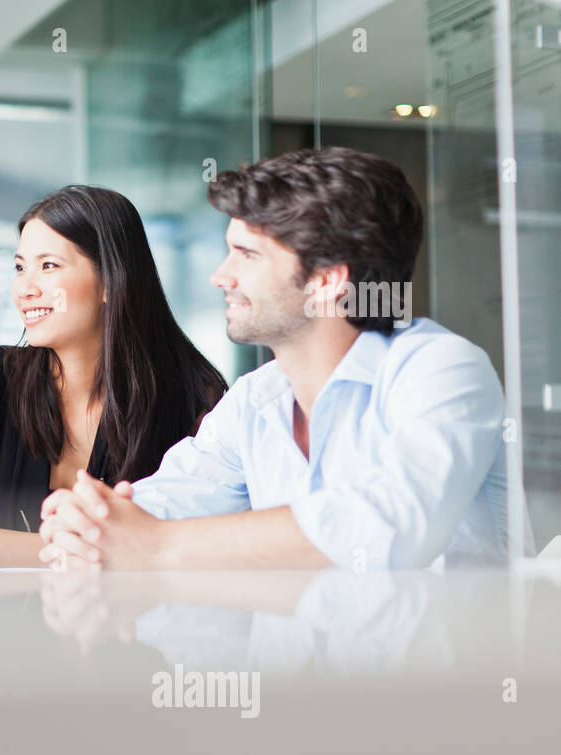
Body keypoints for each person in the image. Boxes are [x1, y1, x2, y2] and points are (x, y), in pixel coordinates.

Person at [39, 146, 519, 571]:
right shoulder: (255, 398)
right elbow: (165, 500)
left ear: (327, 280)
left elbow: (387, 525)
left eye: (246, 255)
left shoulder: (441, 370)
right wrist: (90, 520)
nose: (221, 277)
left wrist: (157, 544)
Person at [0, 186, 227, 569]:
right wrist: (101, 550)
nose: (25, 289)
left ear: (109, 281)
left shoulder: (194, 399)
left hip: (134, 626)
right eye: (20, 267)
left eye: (48, 266)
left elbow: (212, 548)